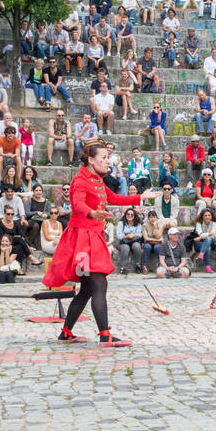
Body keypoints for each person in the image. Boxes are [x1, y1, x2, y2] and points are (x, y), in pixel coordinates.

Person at [43, 142, 158, 345]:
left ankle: (66, 333)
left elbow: (112, 197)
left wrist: (140, 196)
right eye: (103, 158)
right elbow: (77, 203)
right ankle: (105, 335)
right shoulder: (80, 180)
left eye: (108, 157)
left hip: (92, 238)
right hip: (82, 240)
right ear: (91, 159)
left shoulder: (96, 179)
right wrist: (92, 212)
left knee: (88, 289)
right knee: (98, 284)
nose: (108, 161)